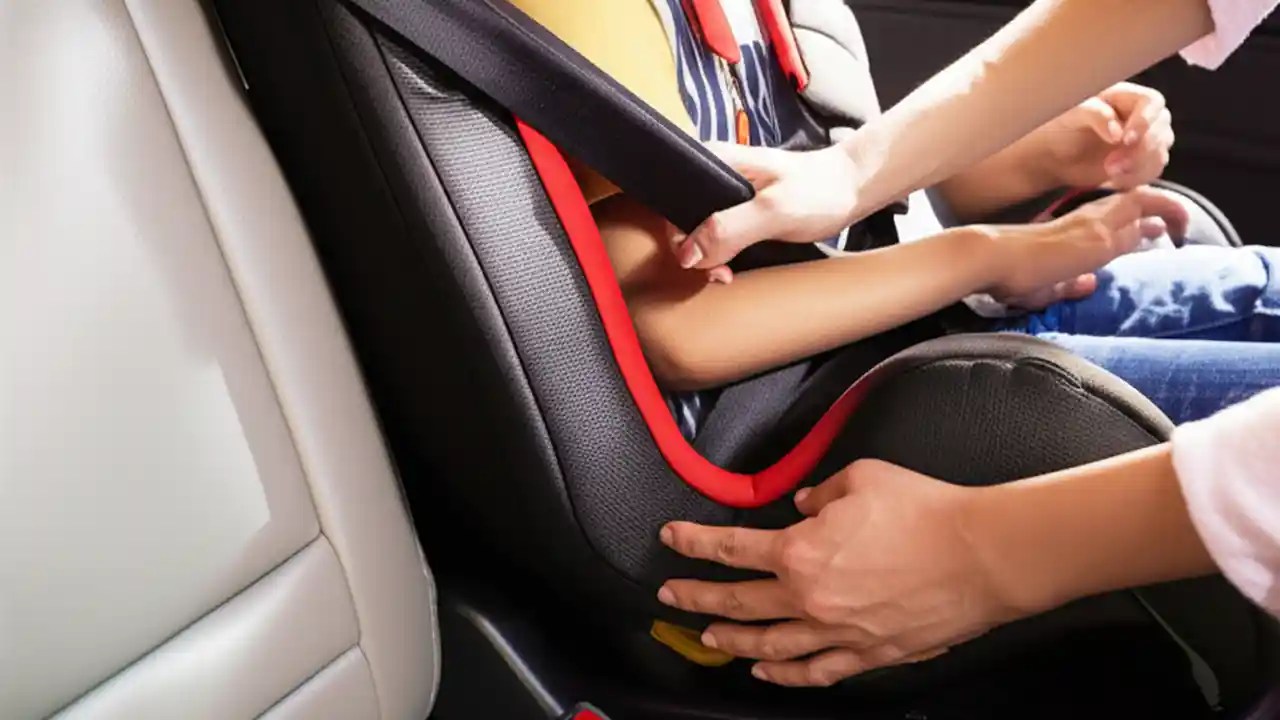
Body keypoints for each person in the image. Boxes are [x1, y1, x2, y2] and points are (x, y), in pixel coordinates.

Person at [653, 0, 1280, 689]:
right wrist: (926, 213)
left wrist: (993, 203)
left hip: (927, 317)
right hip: (876, 369)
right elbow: (686, 327)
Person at [510, 0, 1280, 442]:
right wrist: (987, 254)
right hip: (855, 392)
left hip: (923, 313)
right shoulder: (600, 20)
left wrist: (1043, 159)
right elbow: (682, 332)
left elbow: (841, 197)